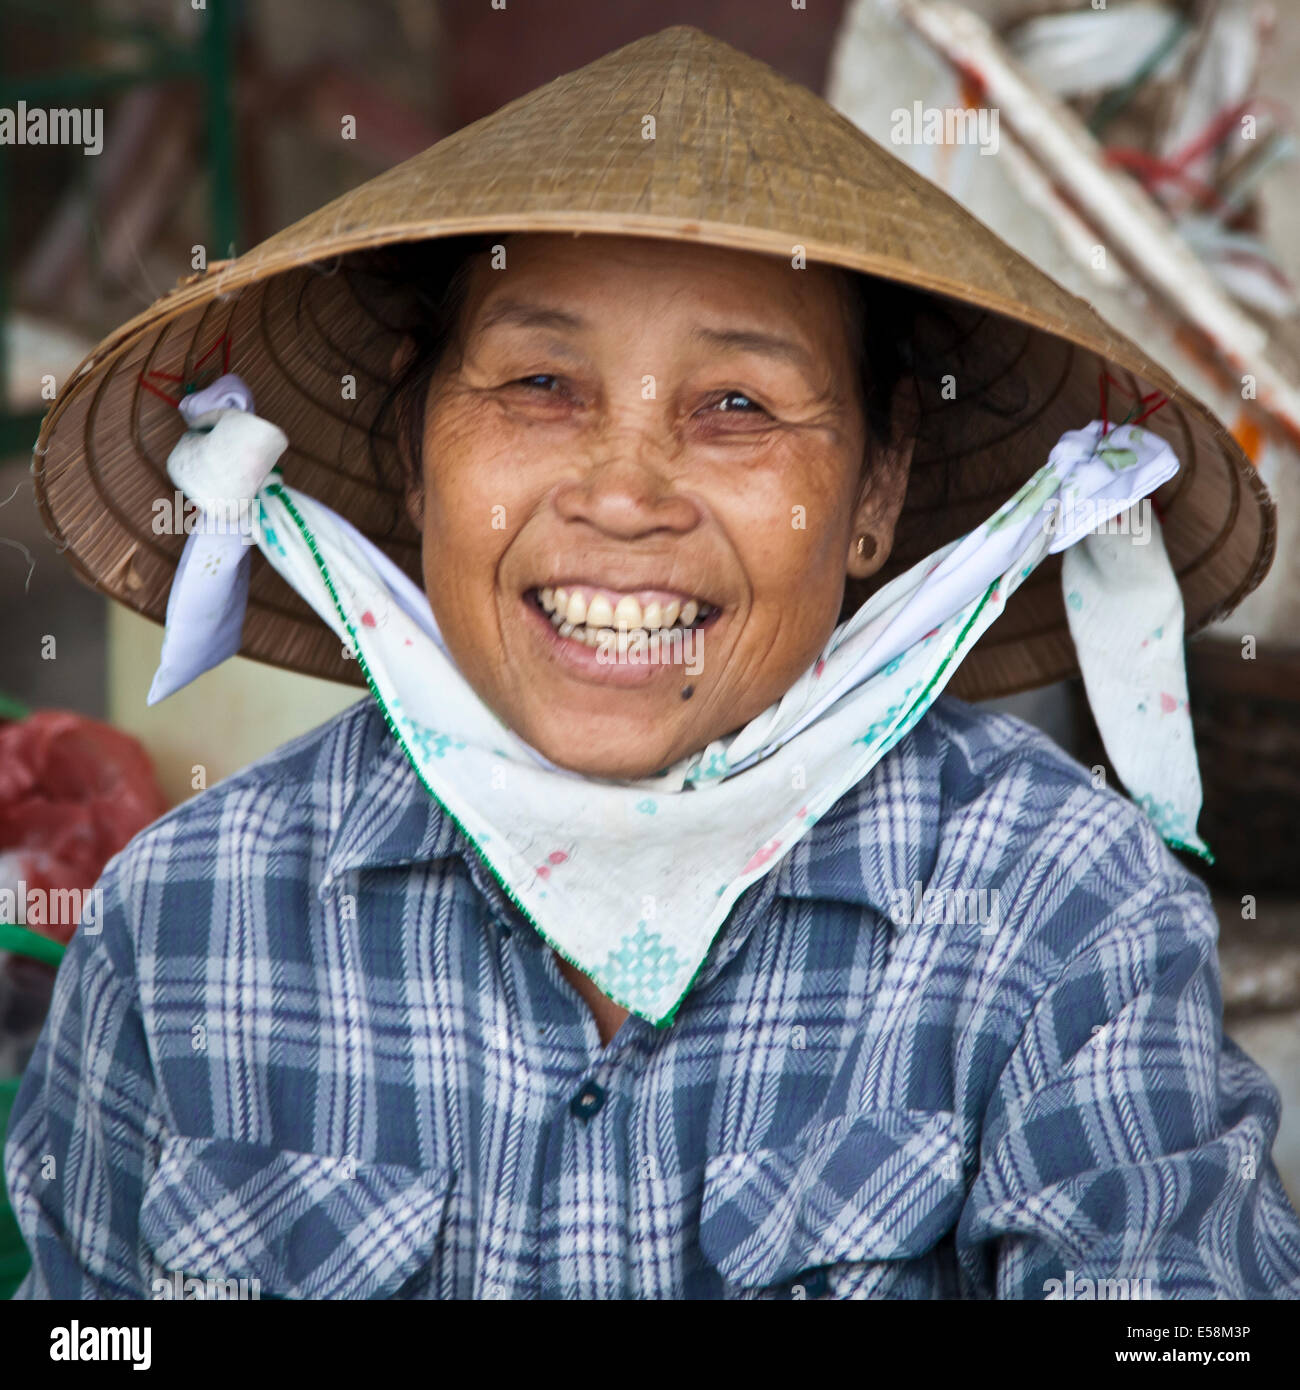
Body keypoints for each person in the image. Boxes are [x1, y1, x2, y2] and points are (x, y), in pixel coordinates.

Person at [8, 26, 1300, 1300]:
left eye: (736, 404)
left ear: (876, 486)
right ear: (413, 450)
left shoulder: (1062, 909)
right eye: (539, 384)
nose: (624, 494)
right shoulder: (186, 917)